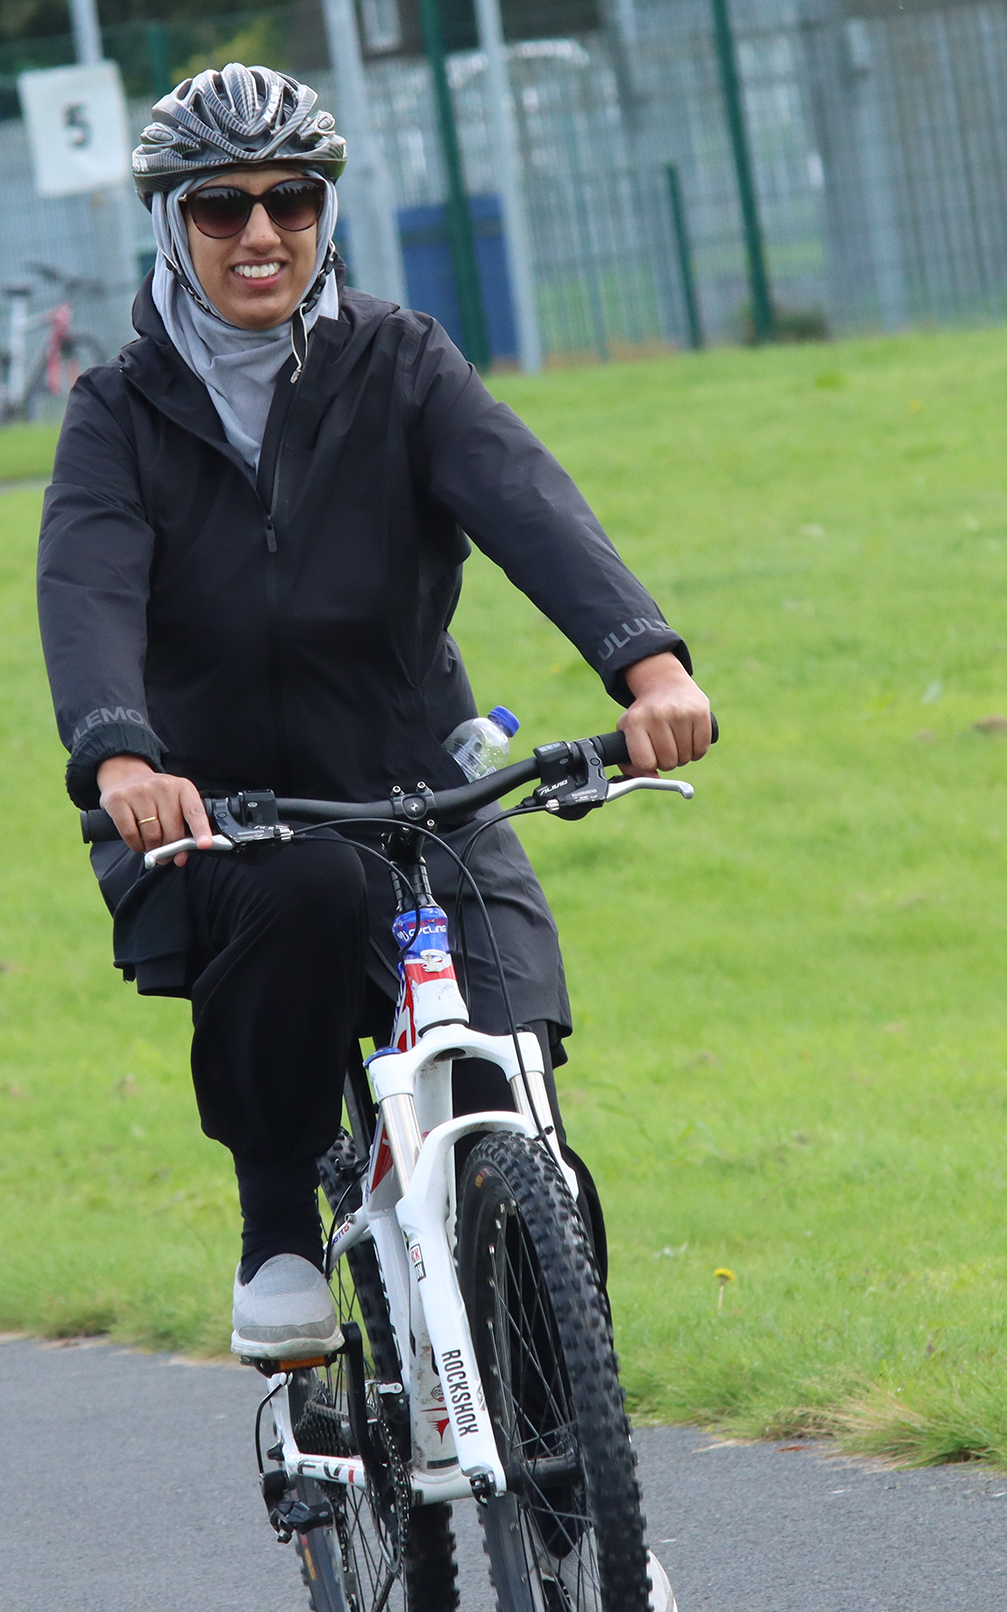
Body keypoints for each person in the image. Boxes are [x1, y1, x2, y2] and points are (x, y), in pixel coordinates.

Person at [37, 63, 710, 1379]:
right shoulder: (117, 411)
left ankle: (576, 1497)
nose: (261, 233)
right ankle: (280, 1228)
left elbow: (525, 501)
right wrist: (122, 749)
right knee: (301, 900)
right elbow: (90, 580)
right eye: (220, 208)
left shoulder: (400, 363)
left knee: (519, 1090)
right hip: (215, 806)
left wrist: (648, 665)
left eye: (292, 199)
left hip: (415, 781)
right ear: (170, 224)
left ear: (325, 210)